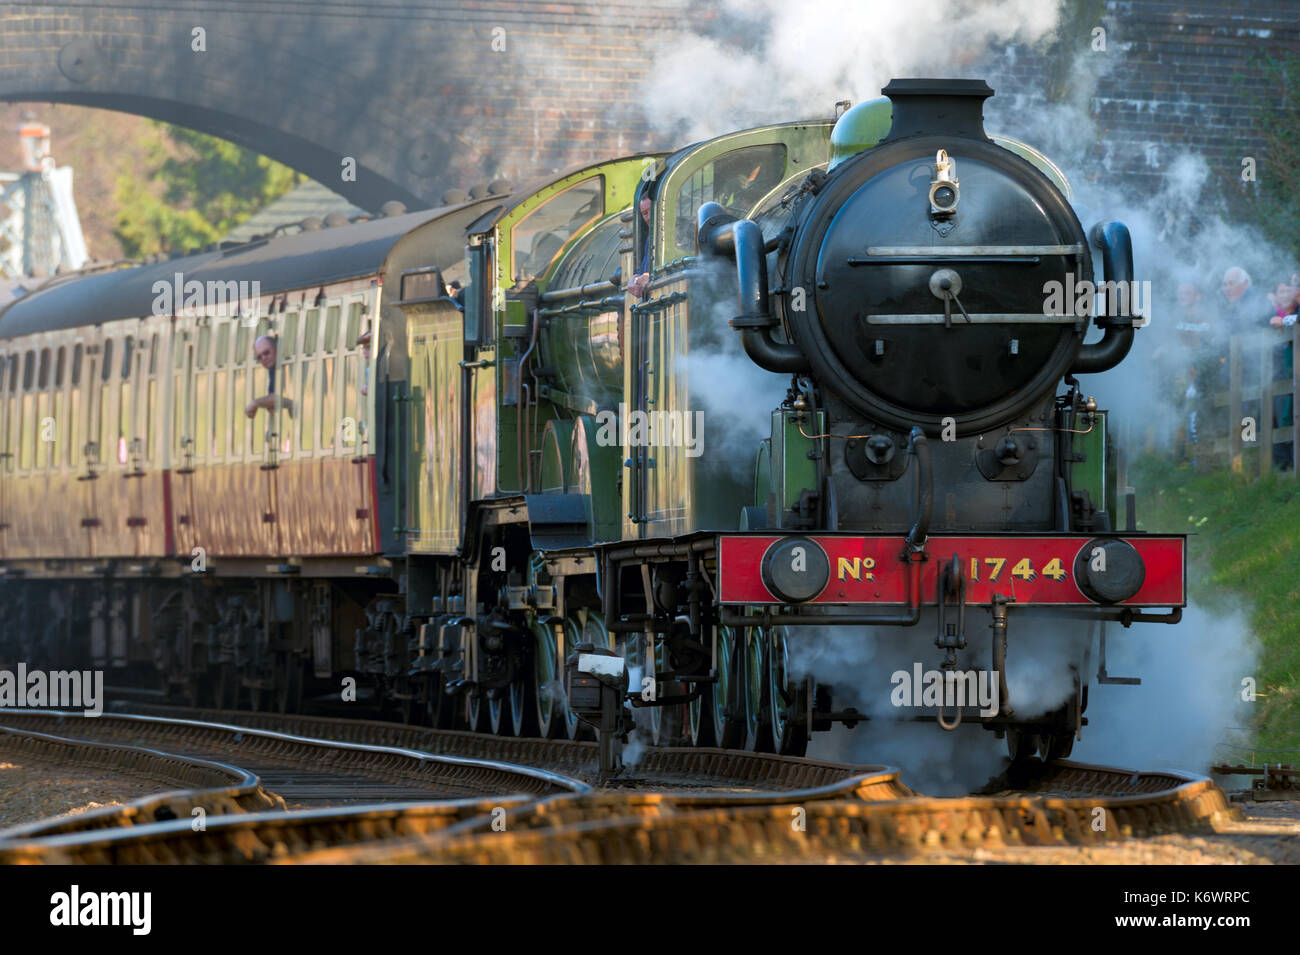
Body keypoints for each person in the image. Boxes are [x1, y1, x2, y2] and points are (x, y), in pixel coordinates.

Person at [245, 334, 293, 418]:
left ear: (276, 348)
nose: (264, 358)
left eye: (266, 353)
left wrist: (256, 403)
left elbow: (279, 400)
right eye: (259, 357)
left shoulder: (288, 366)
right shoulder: (272, 370)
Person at [626, 196, 653, 299]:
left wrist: (651, 277)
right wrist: (635, 278)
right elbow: (642, 271)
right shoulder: (649, 239)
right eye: (645, 213)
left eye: (652, 210)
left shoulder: (681, 234)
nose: (649, 217)